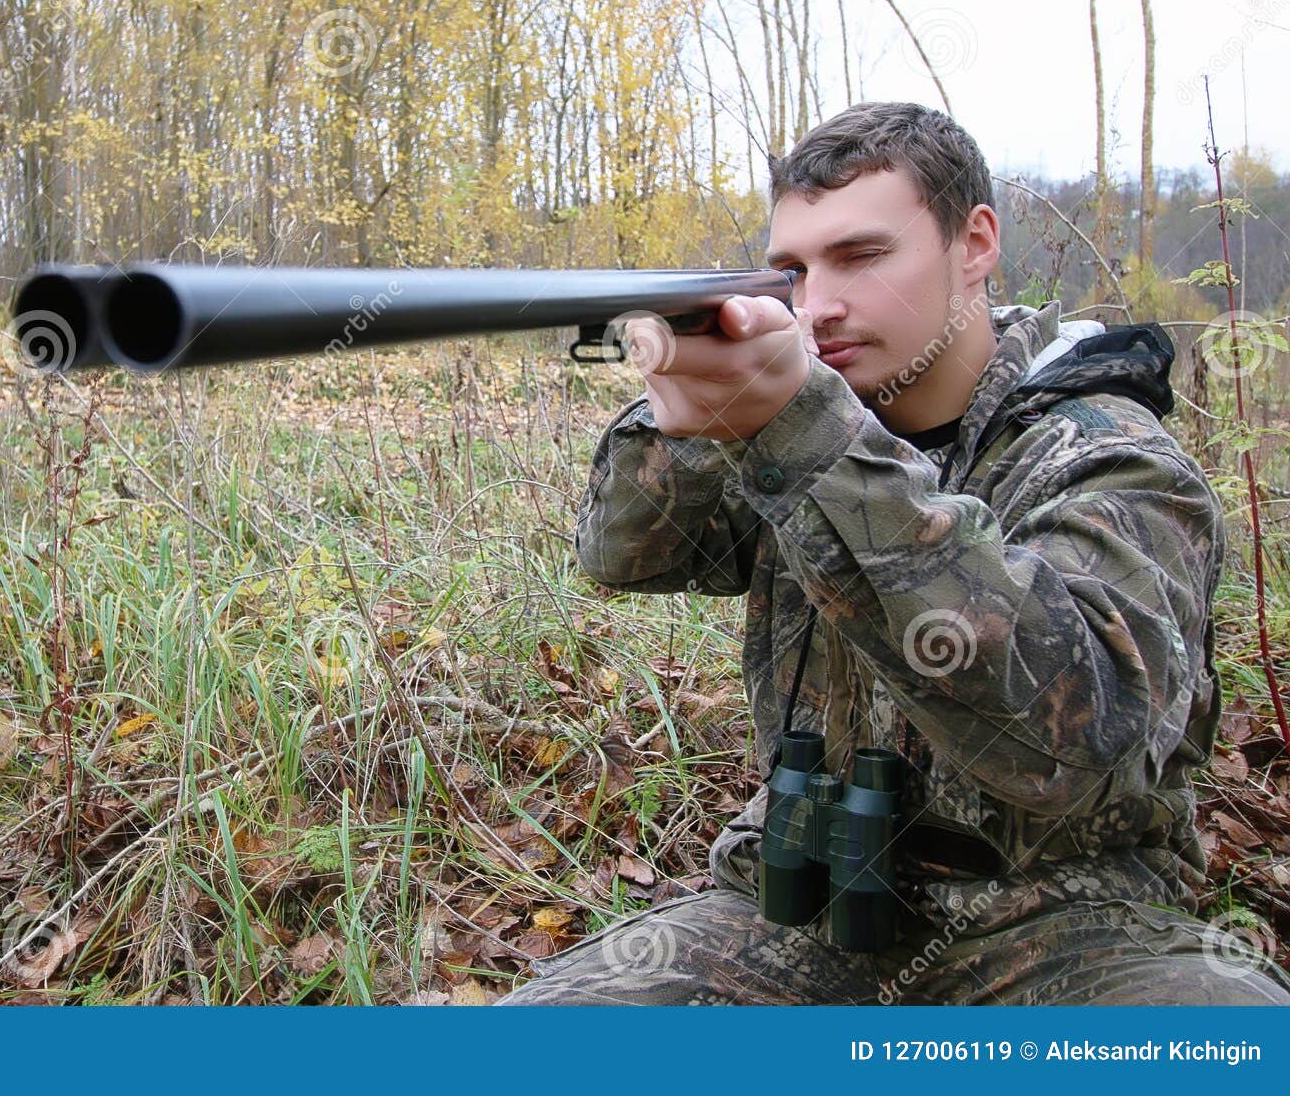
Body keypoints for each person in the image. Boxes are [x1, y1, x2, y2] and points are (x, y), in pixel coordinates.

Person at [496, 101, 1290, 1005]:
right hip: (796, 903)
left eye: (864, 256)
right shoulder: (803, 414)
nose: (821, 303)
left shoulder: (1110, 453)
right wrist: (690, 396)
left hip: (1070, 933)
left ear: (975, 244)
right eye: (791, 269)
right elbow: (626, 554)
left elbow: (1079, 744)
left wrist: (809, 435)